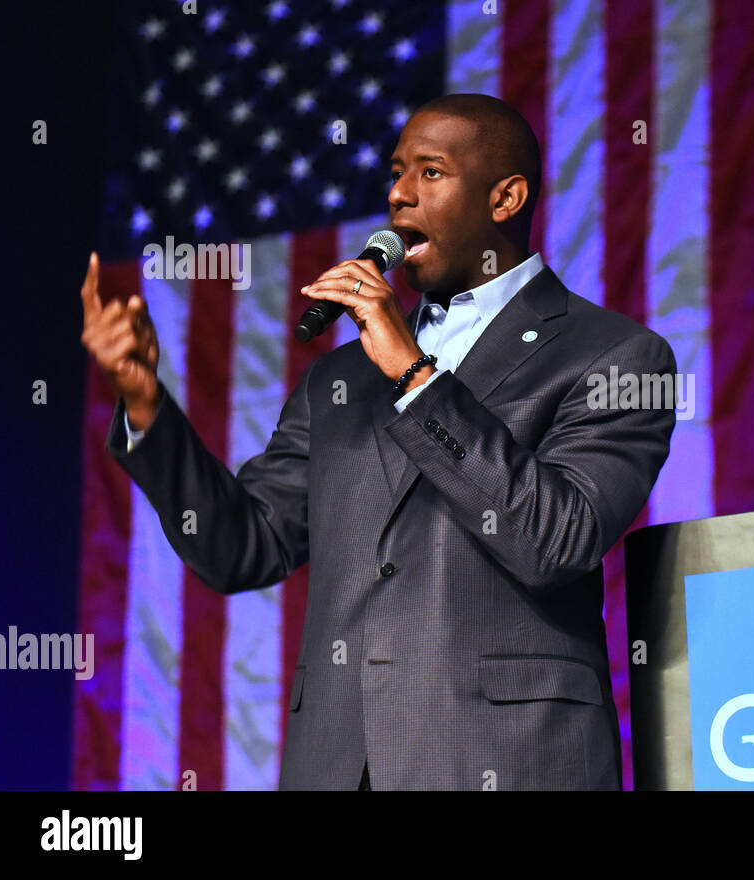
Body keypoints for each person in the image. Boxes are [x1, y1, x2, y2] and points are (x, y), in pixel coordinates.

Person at [78, 93, 677, 790]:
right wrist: (147, 404)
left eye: (429, 173)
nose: (397, 193)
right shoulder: (339, 377)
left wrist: (415, 377)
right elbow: (242, 546)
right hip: (339, 767)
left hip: (508, 760)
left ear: (505, 198)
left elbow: (556, 540)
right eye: (396, 172)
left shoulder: (616, 357)